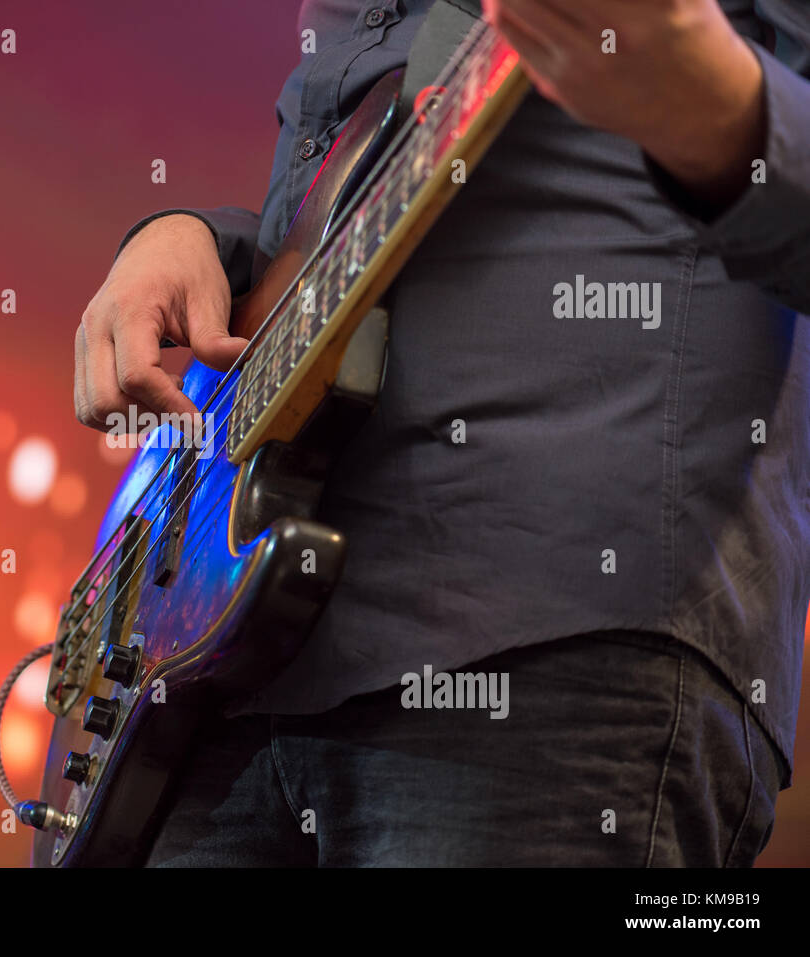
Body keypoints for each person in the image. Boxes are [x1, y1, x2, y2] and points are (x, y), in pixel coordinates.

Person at [72, 0, 810, 866]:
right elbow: (324, 210)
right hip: (223, 674)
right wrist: (198, 240)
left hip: (549, 632)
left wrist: (720, 103)